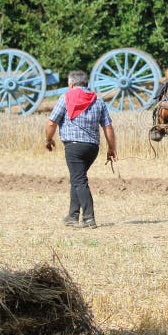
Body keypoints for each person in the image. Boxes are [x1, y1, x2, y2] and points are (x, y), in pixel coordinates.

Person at [45, 70, 117, 229]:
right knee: (78, 177)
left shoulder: (65, 97)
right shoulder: (98, 101)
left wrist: (49, 140)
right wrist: (112, 148)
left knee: (79, 180)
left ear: (71, 84)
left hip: (74, 146)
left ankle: (89, 218)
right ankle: (73, 215)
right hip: (92, 148)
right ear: (86, 84)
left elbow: (51, 123)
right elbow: (108, 127)